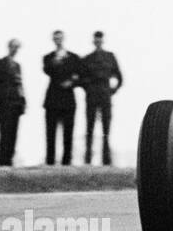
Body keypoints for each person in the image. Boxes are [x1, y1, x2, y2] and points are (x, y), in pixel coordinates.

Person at [80, 31, 122, 165]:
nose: (98, 41)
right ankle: (88, 159)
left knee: (106, 128)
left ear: (102, 41)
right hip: (92, 95)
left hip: (105, 95)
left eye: (100, 39)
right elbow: (81, 79)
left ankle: (106, 159)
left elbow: (119, 78)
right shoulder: (87, 59)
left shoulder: (110, 57)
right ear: (93, 41)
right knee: (90, 127)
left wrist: (112, 90)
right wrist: (89, 88)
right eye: (96, 39)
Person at [42, 30, 80, 165]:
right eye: (55, 38)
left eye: (60, 38)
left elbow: (80, 75)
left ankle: (66, 161)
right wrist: (57, 61)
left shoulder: (74, 57)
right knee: (50, 133)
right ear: (53, 40)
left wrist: (72, 82)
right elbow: (47, 70)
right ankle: (50, 161)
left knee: (68, 133)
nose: (58, 40)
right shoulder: (48, 58)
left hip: (68, 100)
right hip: (52, 100)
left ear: (63, 39)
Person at [0, 38, 25, 166]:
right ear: (8, 47)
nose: (14, 49)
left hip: (16, 105)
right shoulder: (0, 63)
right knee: (4, 133)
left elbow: (20, 85)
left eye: (17, 47)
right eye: (13, 46)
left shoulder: (17, 66)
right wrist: (4, 95)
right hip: (5, 105)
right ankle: (2, 161)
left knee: (13, 134)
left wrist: (22, 101)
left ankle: (9, 160)